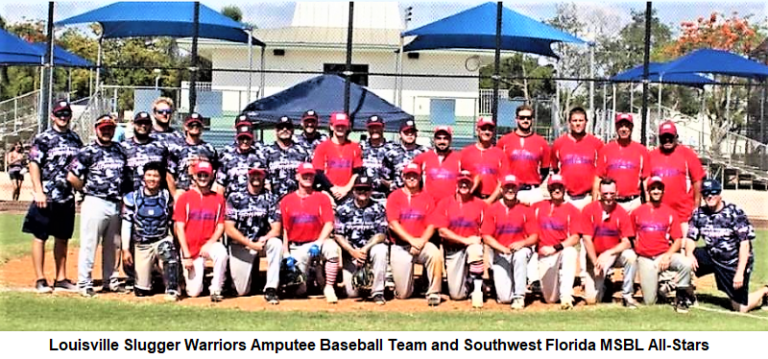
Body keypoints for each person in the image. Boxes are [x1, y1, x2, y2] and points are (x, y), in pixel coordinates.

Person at [22, 100, 82, 293]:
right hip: (46, 196)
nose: (63, 117)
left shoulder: (75, 139)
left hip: (66, 197)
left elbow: (80, 166)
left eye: (66, 114)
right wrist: (38, 190)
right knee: (40, 236)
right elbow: (33, 164)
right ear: (52, 116)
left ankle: (61, 278)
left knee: (62, 238)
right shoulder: (43, 138)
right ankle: (40, 279)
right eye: (59, 114)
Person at [685, 178, 768, 312]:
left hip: (733, 262)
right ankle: (687, 295)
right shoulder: (699, 213)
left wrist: (740, 273)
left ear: (720, 194)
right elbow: (690, 238)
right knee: (683, 259)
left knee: (740, 308)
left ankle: (765, 291)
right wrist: (689, 254)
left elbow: (745, 244)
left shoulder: (735, 213)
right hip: (712, 256)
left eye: (713, 192)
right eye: (706, 193)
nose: (710, 196)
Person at [67, 114, 128, 297]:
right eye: (103, 128)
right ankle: (85, 282)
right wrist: (85, 189)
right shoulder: (88, 151)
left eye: (110, 128)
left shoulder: (120, 150)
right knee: (89, 243)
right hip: (95, 201)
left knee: (113, 245)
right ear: (96, 129)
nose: (107, 131)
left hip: (115, 202)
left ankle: (111, 280)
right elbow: (72, 176)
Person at [120, 111, 177, 290]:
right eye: (139, 123)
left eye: (146, 123)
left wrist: (174, 195)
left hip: (157, 198)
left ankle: (170, 279)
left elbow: (169, 173)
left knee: (160, 235)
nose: (143, 126)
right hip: (132, 198)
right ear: (134, 124)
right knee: (131, 238)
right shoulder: (123, 147)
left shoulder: (159, 147)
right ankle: (133, 277)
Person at [280, 162, 341, 303]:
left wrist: (319, 242)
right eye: (304, 175)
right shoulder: (286, 200)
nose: (308, 178)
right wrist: (286, 253)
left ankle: (329, 287)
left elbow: (329, 224)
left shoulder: (322, 197)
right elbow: (284, 230)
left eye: (311, 175)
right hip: (298, 246)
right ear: (297, 176)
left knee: (331, 247)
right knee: (299, 291)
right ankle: (315, 273)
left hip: (316, 243)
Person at [631, 176, 693, 313]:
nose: (656, 191)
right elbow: (630, 235)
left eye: (659, 188)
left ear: (663, 192)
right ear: (648, 191)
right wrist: (638, 252)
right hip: (645, 258)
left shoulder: (670, 212)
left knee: (686, 263)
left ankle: (681, 297)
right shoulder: (637, 212)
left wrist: (668, 255)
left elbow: (677, 239)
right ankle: (660, 289)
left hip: (663, 255)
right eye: (653, 188)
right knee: (649, 302)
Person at [386, 163, 444, 306]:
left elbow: (432, 224)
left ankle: (433, 292)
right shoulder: (395, 196)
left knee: (435, 254)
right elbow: (393, 224)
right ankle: (405, 284)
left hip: (421, 243)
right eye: (408, 176)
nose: (412, 178)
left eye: (415, 175)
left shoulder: (427, 197)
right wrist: (411, 241)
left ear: (420, 177)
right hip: (401, 245)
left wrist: (421, 241)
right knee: (403, 294)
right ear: (403, 177)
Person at [120, 161, 180, 301]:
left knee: (167, 250)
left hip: (161, 240)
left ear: (161, 178)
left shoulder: (166, 197)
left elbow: (174, 222)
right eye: (149, 175)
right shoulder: (133, 198)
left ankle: (172, 288)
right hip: (142, 244)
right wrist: (125, 249)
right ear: (143, 177)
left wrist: (177, 245)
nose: (152, 179)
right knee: (142, 291)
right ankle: (153, 277)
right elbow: (127, 224)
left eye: (155, 176)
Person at [224, 166, 282, 304]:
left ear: (263, 177)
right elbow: (229, 228)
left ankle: (271, 288)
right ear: (248, 177)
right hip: (242, 244)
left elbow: (276, 229)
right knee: (241, 291)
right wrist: (249, 244)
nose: (256, 178)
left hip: (262, 243)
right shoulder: (235, 197)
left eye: (259, 175)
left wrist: (265, 238)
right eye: (253, 175)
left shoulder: (271, 198)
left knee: (276, 243)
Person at [173, 161, 228, 302]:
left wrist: (209, 244)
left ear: (211, 177)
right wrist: (186, 255)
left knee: (221, 252)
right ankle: (186, 279)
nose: (203, 178)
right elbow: (179, 228)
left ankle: (216, 288)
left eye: (206, 175)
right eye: (200, 175)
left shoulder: (219, 199)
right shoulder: (184, 198)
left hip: (209, 244)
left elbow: (220, 226)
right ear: (194, 177)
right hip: (190, 249)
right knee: (194, 292)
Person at [481, 174, 538, 310]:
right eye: (507, 187)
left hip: (521, 250)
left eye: (513, 187)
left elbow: (534, 236)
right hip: (501, 253)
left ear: (518, 189)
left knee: (520, 255)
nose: (510, 190)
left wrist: (522, 244)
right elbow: (486, 236)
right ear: (501, 189)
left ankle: (519, 296)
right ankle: (513, 284)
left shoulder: (526, 209)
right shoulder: (492, 209)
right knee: (505, 299)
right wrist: (502, 249)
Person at [581, 177, 639, 308]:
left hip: (614, 255)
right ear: (599, 193)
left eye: (612, 193)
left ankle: (627, 295)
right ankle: (606, 285)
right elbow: (586, 239)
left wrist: (608, 253)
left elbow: (628, 242)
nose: (608, 197)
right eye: (605, 193)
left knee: (630, 256)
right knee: (592, 300)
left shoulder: (621, 212)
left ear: (617, 192)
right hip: (594, 257)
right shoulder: (588, 210)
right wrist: (596, 261)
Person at [432, 170, 486, 307]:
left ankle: (477, 289)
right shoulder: (445, 203)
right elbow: (442, 232)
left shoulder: (480, 204)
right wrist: (464, 240)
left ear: (471, 185)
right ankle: (468, 280)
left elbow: (486, 229)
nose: (464, 185)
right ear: (456, 184)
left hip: (471, 247)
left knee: (475, 249)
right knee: (457, 295)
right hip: (453, 249)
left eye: (467, 183)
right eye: (461, 182)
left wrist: (476, 240)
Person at [333, 175, 388, 304]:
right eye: (359, 189)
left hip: (370, 249)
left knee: (381, 250)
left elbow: (381, 234)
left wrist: (364, 250)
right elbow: (338, 235)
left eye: (366, 189)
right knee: (352, 294)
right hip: (350, 253)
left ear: (371, 191)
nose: (363, 192)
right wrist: (353, 252)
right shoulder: (343, 209)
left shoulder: (378, 208)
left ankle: (377, 292)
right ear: (353, 191)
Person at [532, 174, 581, 310]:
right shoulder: (537, 207)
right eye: (553, 187)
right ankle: (557, 287)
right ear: (548, 189)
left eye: (559, 187)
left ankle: (566, 296)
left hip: (559, 251)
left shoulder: (573, 210)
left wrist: (556, 247)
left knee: (570, 252)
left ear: (564, 188)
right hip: (543, 255)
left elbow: (575, 237)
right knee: (550, 299)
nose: (557, 190)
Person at [648, 121, 705, 235]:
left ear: (676, 137)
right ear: (659, 138)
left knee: (683, 248)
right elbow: (646, 182)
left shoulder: (687, 154)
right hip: (659, 213)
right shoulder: (652, 156)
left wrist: (696, 204)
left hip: (683, 214)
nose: (667, 140)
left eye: (670, 137)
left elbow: (697, 179)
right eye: (664, 137)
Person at [594, 113, 649, 212]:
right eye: (620, 126)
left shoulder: (642, 151)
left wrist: (649, 205)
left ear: (631, 127)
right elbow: (598, 177)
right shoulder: (606, 149)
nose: (624, 129)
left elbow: (646, 180)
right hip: (612, 202)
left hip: (634, 203)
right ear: (616, 128)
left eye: (627, 126)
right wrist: (594, 204)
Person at [551, 106, 604, 209]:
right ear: (569, 122)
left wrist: (595, 196)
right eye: (574, 120)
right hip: (566, 197)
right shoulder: (559, 143)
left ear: (586, 122)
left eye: (581, 120)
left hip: (588, 197)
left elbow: (601, 172)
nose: (578, 123)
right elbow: (555, 168)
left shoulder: (596, 144)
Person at [497, 104, 550, 205]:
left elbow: (545, 169)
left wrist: (535, 181)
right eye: (522, 118)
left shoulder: (541, 142)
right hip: (510, 191)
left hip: (533, 192)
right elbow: (497, 166)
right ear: (516, 119)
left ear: (532, 120)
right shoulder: (504, 141)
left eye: (528, 118)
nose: (525, 120)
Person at [312, 112, 363, 202]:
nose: (340, 128)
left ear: (347, 127)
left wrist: (346, 189)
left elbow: (357, 171)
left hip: (348, 193)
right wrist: (332, 189)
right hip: (328, 192)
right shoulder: (322, 147)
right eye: (337, 126)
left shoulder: (354, 147)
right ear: (332, 127)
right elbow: (318, 172)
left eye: (343, 126)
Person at [460, 117, 507, 204]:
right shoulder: (465, 152)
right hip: (471, 200)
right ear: (477, 130)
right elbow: (459, 178)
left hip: (493, 200)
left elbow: (503, 181)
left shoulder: (500, 154)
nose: (487, 132)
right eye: (483, 129)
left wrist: (490, 201)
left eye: (490, 129)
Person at [411, 126, 461, 204]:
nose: (442, 141)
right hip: (429, 205)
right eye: (439, 138)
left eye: (445, 138)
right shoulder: (423, 158)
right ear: (434, 140)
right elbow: (409, 177)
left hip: (451, 205)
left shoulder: (459, 158)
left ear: (450, 140)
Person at [216, 121, 266, 198]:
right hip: (232, 203)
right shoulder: (227, 158)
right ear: (237, 139)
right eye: (242, 138)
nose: (245, 141)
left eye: (248, 138)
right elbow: (220, 185)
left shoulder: (259, 157)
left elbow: (266, 183)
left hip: (254, 204)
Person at [264, 116, 310, 201]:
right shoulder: (266, 151)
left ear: (293, 130)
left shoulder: (303, 151)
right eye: (281, 127)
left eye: (288, 127)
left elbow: (309, 177)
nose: (285, 130)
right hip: (274, 202)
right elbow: (263, 179)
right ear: (276, 130)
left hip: (298, 201)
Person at [174, 113, 218, 199]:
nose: (195, 127)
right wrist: (174, 194)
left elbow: (216, 172)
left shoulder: (209, 149)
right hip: (183, 194)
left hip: (203, 194)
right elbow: (169, 174)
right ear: (185, 127)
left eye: (198, 125)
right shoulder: (176, 148)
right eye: (191, 125)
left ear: (202, 127)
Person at [383, 119, 428, 191]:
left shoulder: (424, 152)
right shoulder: (392, 152)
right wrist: (392, 186)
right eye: (406, 132)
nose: (410, 134)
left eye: (412, 132)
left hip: (418, 194)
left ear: (416, 134)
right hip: (397, 194)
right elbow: (385, 176)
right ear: (400, 134)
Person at [360, 115, 391, 201]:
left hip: (385, 197)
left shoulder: (392, 148)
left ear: (383, 127)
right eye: (371, 127)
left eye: (377, 127)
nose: (374, 130)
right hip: (363, 196)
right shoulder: (360, 147)